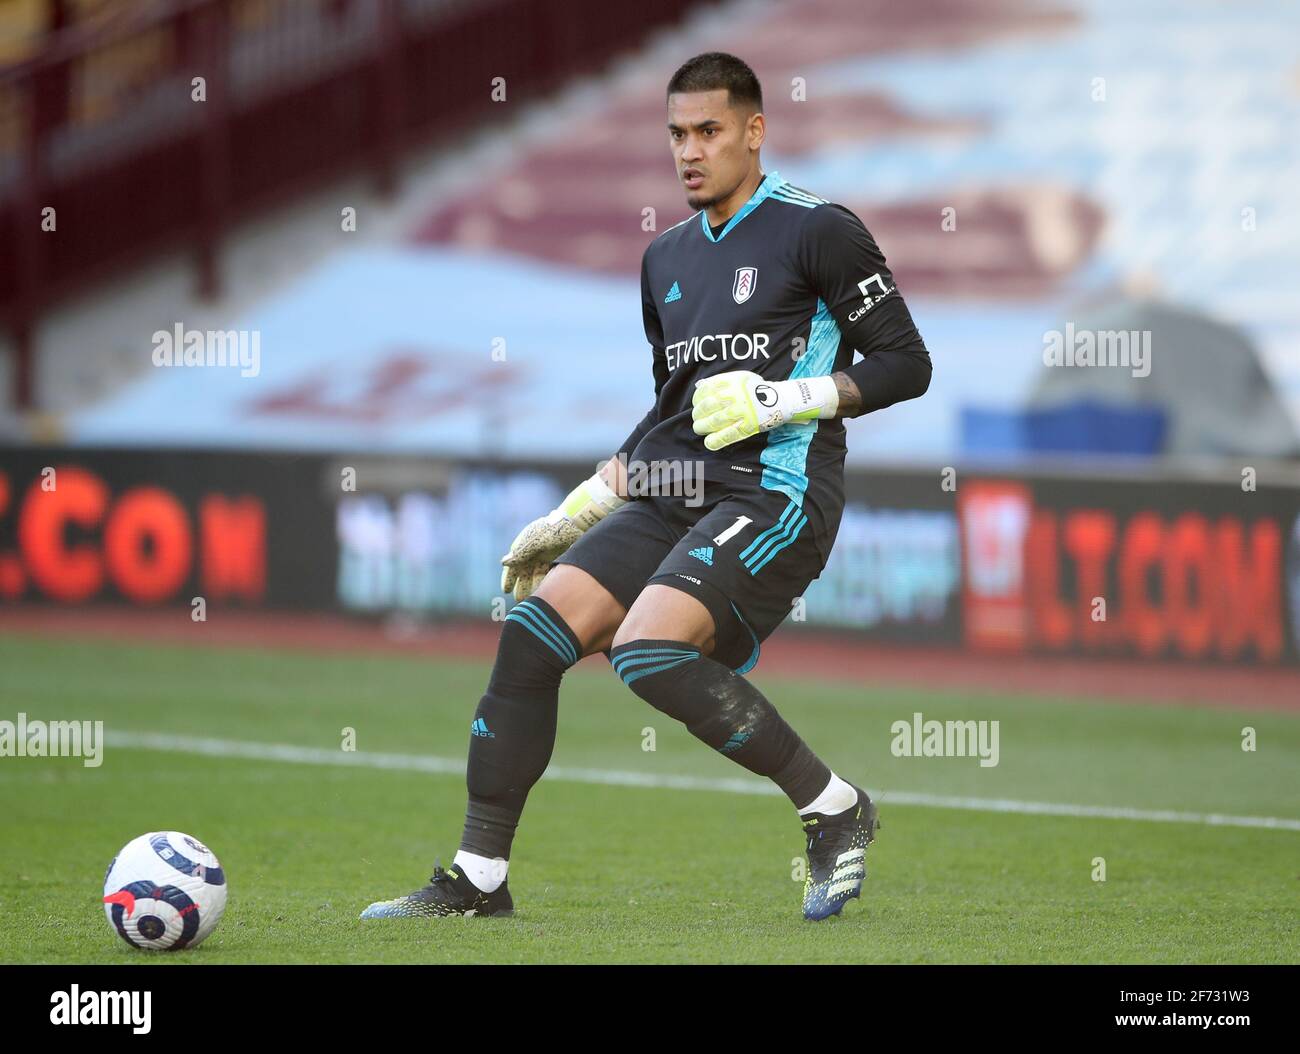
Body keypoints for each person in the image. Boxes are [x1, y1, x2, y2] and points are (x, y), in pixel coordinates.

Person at [361, 51, 931, 922]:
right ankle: (479, 880)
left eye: (709, 131)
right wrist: (584, 505)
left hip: (775, 491)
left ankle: (834, 808)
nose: (690, 150)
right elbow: (669, 413)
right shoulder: (663, 259)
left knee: (648, 650)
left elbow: (907, 362)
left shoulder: (821, 230)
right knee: (530, 637)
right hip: (673, 490)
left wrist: (787, 396)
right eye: (676, 134)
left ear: (754, 130)